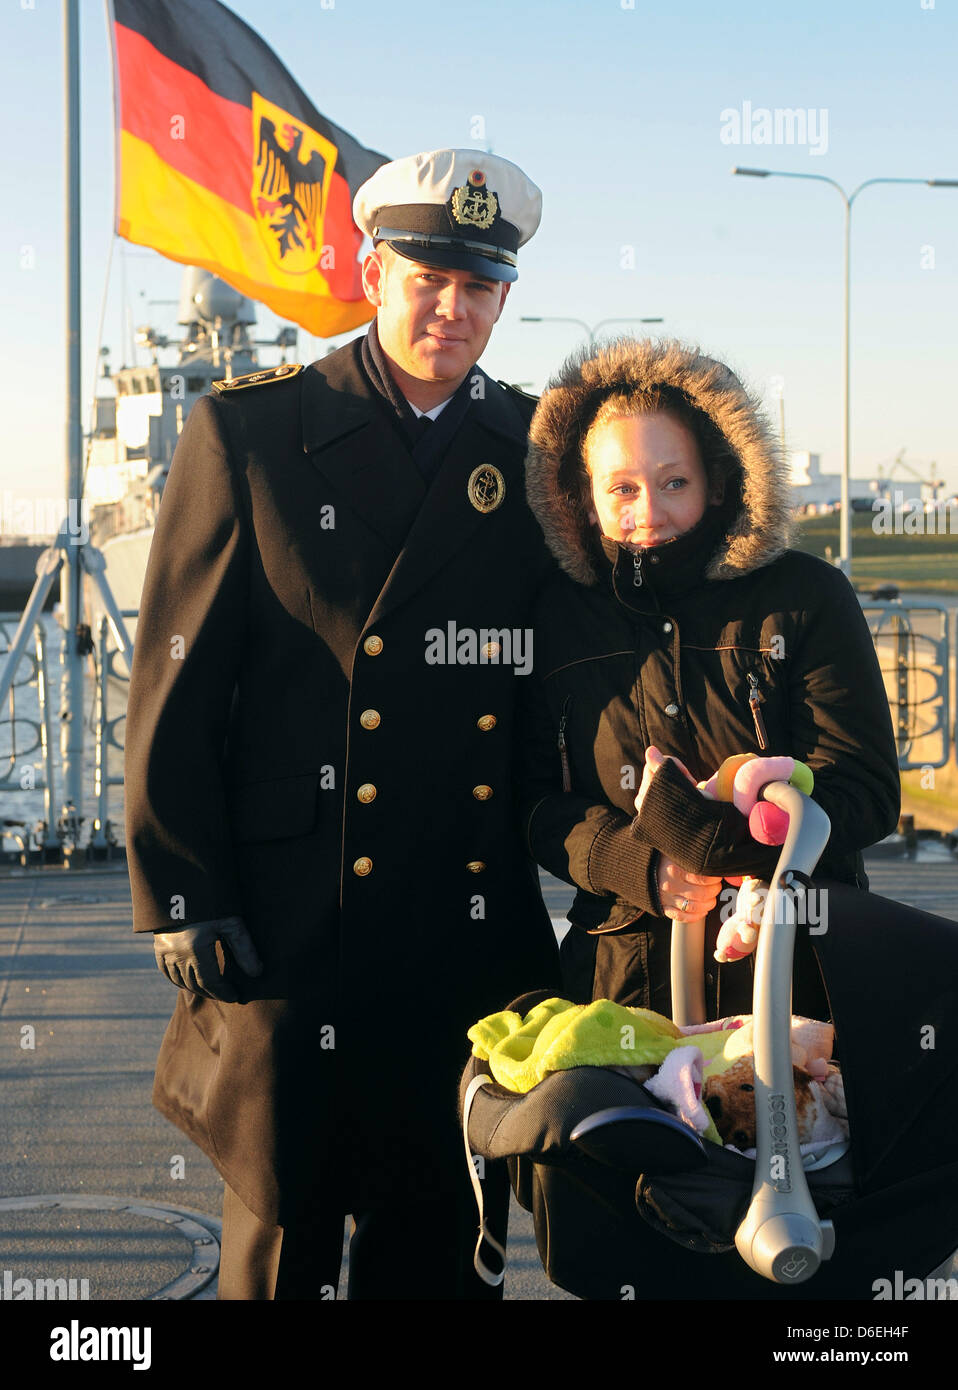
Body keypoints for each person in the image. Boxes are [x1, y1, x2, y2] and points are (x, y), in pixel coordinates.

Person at [124, 148, 561, 1300]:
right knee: (280, 1247)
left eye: (482, 288)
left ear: (505, 298)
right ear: (373, 271)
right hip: (286, 926)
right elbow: (177, 679)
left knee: (442, 1238)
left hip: (464, 926)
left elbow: (576, 671)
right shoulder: (253, 436)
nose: (453, 309)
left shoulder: (533, 454)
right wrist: (183, 890)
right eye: (429, 278)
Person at [518, 336, 901, 1017]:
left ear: (717, 481)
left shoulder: (805, 596)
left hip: (797, 982)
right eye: (622, 489)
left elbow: (865, 789)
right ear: (581, 496)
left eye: (674, 483)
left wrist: (726, 842)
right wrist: (637, 864)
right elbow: (535, 801)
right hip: (622, 989)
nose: (649, 514)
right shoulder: (554, 615)